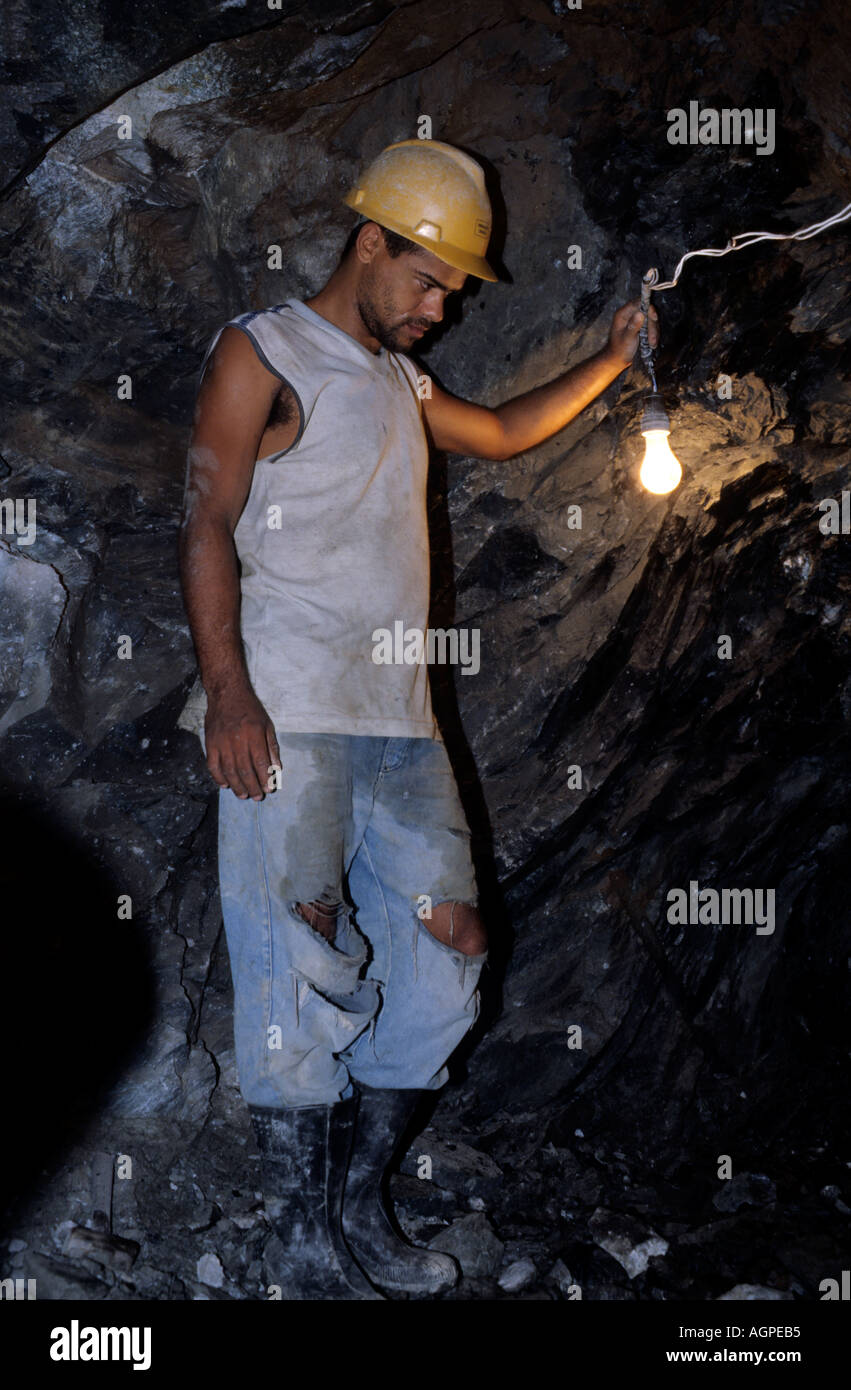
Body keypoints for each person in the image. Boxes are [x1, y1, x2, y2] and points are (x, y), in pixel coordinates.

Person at [177, 138, 659, 1300]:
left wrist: (610, 360)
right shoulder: (263, 352)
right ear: (368, 242)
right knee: (299, 953)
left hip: (401, 723)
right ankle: (298, 1238)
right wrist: (228, 692)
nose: (439, 307)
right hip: (287, 711)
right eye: (427, 279)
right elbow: (202, 521)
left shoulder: (399, 382)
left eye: (452, 289)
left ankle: (356, 1204)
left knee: (451, 952)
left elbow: (495, 432)